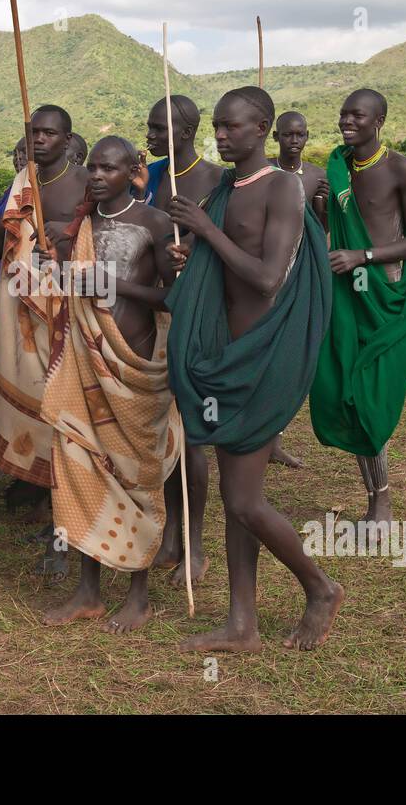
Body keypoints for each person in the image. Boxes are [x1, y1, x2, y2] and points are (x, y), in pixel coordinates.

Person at [165, 86, 341, 652]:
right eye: (216, 126)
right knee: (235, 498)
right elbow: (223, 269)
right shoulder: (224, 186)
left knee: (243, 500)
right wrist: (192, 256)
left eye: (232, 127)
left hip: (263, 357)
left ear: (261, 127)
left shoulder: (282, 189)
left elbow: (267, 277)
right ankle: (243, 624)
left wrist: (207, 233)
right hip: (226, 356)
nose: (220, 136)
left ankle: (320, 586)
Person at [39, 137, 180, 632]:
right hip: (81, 359)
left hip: (132, 363)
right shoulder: (76, 226)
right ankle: (88, 590)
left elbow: (171, 298)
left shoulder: (154, 223)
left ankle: (138, 594)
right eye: (92, 168)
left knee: (135, 476)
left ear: (132, 171)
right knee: (82, 469)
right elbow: (54, 286)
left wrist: (110, 285)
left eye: (108, 168)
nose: (97, 176)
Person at [0, 104, 88, 581]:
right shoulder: (22, 184)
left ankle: (67, 537)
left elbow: (97, 256)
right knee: (37, 414)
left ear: (68, 138)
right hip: (19, 319)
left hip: (67, 317)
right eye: (33, 132)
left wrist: (67, 241)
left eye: (49, 133)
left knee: (64, 423)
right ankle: (57, 525)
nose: (39, 139)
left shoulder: (86, 184)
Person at [309, 89, 406, 526]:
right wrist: (324, 209)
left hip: (388, 292)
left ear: (379, 120)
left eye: (357, 115)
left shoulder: (402, 169)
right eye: (343, 113)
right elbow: (329, 231)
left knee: (372, 396)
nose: (346, 121)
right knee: (344, 390)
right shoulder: (338, 167)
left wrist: (362, 256)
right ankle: (376, 493)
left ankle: (379, 501)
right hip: (347, 293)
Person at [144, 94, 223, 584]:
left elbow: (227, 239)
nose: (149, 136)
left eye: (158, 128)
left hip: (201, 318)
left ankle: (194, 546)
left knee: (193, 434)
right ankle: (171, 532)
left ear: (187, 129)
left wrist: (192, 248)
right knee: (164, 432)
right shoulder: (151, 178)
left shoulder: (218, 180)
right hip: (157, 314)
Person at [266, 110, 329, 468]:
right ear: (275, 137)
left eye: (300, 135)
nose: (294, 141)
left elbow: (322, 229)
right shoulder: (265, 170)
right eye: (287, 135)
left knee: (292, 356)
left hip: (300, 269)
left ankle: (275, 440)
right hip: (266, 269)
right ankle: (255, 435)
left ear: (307, 137)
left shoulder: (317, 175)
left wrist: (321, 205)